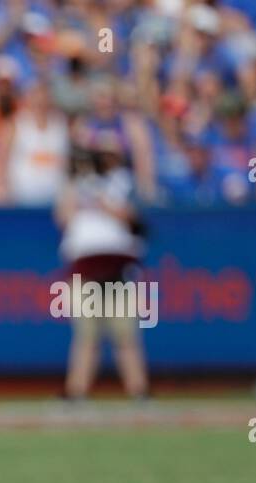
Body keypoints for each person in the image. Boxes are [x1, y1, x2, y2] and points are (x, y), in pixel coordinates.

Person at [54, 135, 150, 400]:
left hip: (119, 268)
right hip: (85, 268)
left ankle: (139, 391)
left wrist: (101, 200)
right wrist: (79, 183)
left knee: (126, 336)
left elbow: (134, 217)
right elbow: (63, 217)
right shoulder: (76, 184)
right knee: (86, 337)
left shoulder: (125, 183)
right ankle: (76, 393)